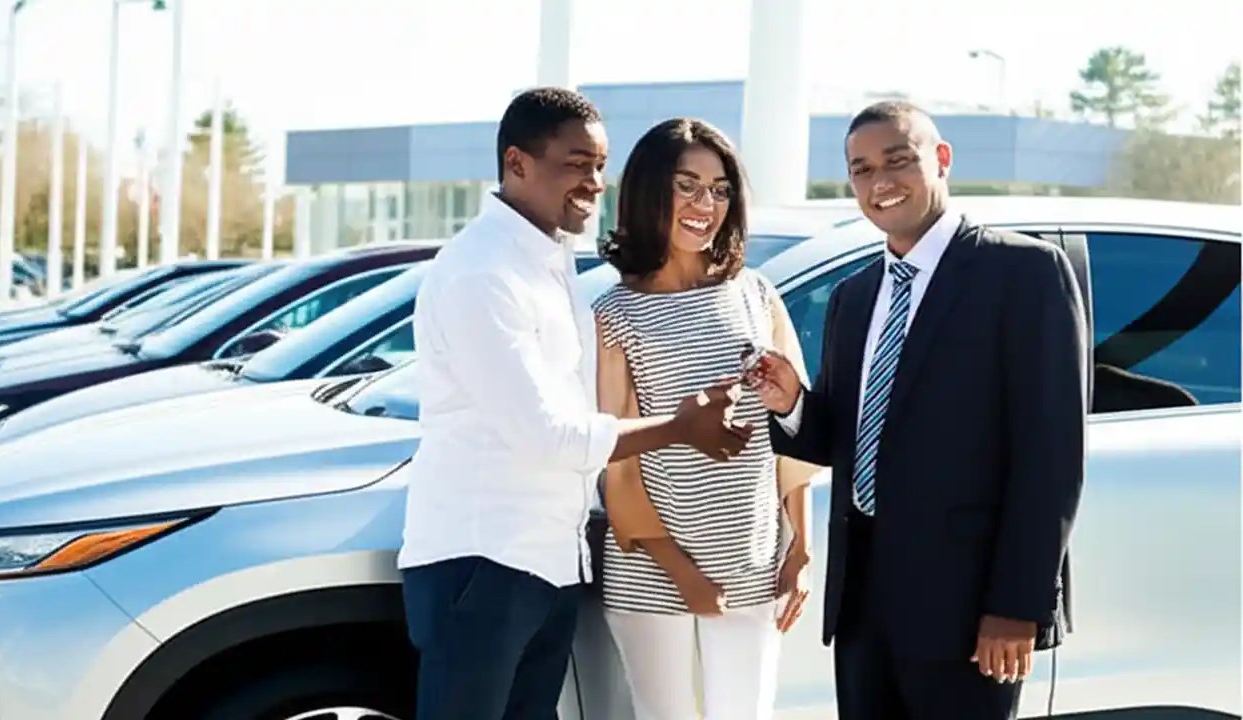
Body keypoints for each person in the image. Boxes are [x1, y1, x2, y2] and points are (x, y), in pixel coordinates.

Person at [398, 89, 756, 720]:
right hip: (483, 563)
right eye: (576, 164)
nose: (594, 182)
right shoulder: (483, 272)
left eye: (599, 165)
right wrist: (681, 427)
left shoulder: (545, 258)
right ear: (517, 163)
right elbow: (550, 435)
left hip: (547, 561)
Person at [754, 101, 1088, 719]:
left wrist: (1016, 606)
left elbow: (1051, 457)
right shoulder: (854, 297)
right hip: (864, 608)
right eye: (861, 169)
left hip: (970, 613)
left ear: (942, 159)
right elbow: (846, 441)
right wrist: (794, 403)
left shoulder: (1024, 273)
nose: (880, 181)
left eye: (897, 160)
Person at [591, 117, 816, 720]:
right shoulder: (614, 315)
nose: (705, 205)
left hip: (754, 566)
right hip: (651, 575)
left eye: (719, 190)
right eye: (686, 186)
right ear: (648, 191)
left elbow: (793, 433)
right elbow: (617, 464)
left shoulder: (756, 293)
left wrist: (800, 552)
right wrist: (684, 576)